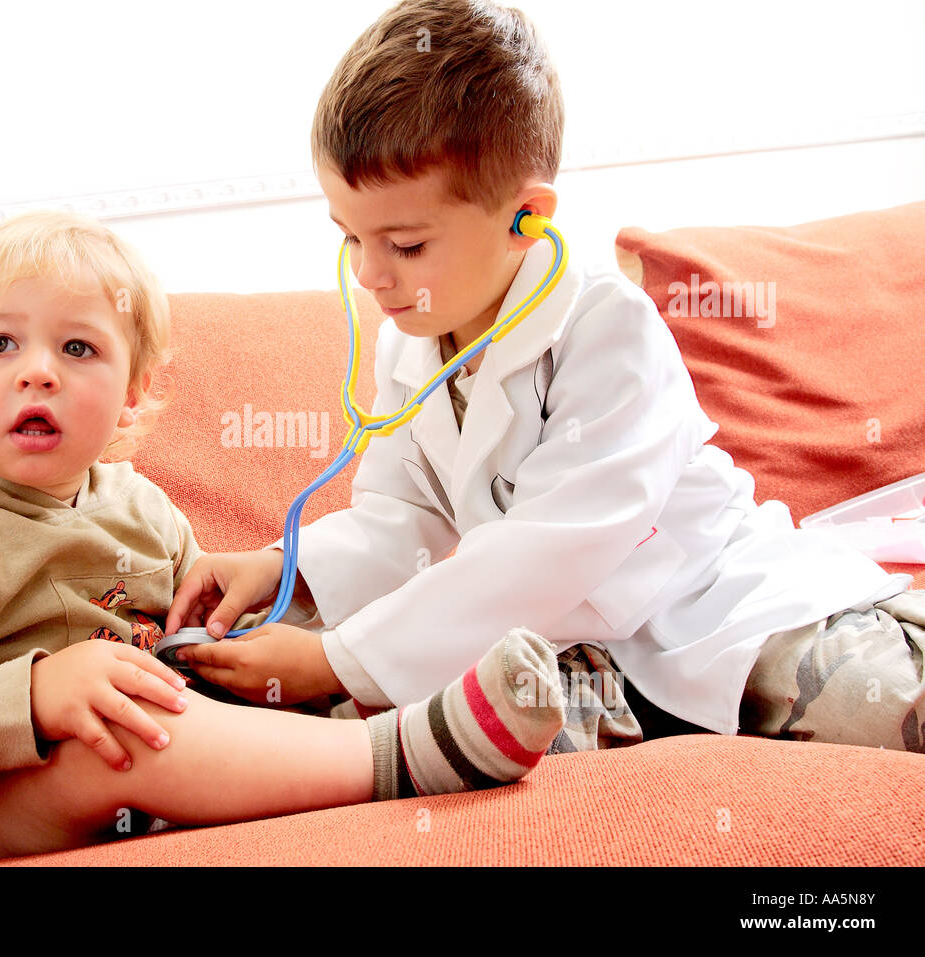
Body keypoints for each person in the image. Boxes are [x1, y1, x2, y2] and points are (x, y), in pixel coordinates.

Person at [166, 0, 925, 755]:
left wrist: (336, 658)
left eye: (403, 244)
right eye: (350, 237)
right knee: (410, 723)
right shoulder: (415, 343)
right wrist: (287, 572)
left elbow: (551, 549)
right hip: (588, 650)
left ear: (525, 217)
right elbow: (401, 523)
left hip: (722, 611)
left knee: (880, 711)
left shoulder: (605, 326)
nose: (370, 275)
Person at [0, 210, 573, 860]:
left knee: (282, 662)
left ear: (133, 392)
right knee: (127, 728)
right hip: (10, 800)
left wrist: (230, 643)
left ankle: (509, 712)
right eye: (0, 344)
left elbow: (190, 649)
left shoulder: (144, 509)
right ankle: (409, 755)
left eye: (79, 348)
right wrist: (33, 697)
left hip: (167, 750)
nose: (37, 372)